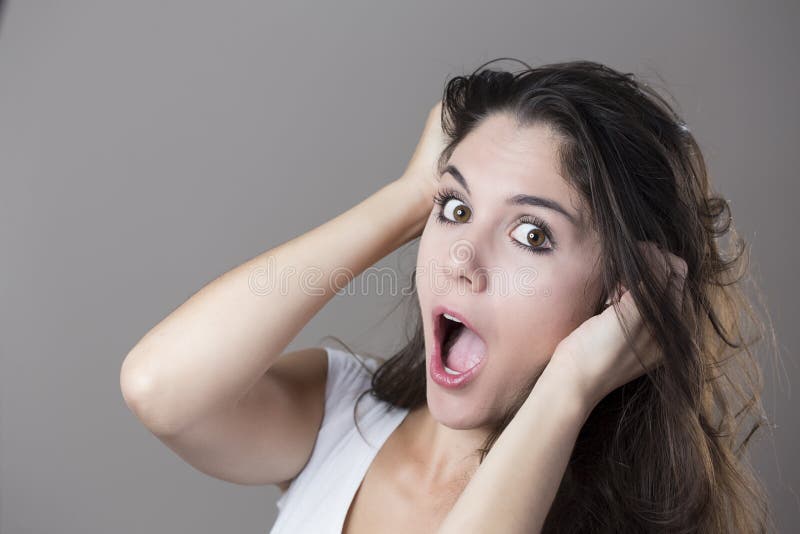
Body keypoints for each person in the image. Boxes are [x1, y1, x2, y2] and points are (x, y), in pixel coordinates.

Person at [120, 58, 776, 533]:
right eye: (456, 208)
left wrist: (572, 386)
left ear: (619, 298)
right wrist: (409, 197)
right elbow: (160, 388)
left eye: (531, 234)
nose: (461, 259)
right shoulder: (344, 419)